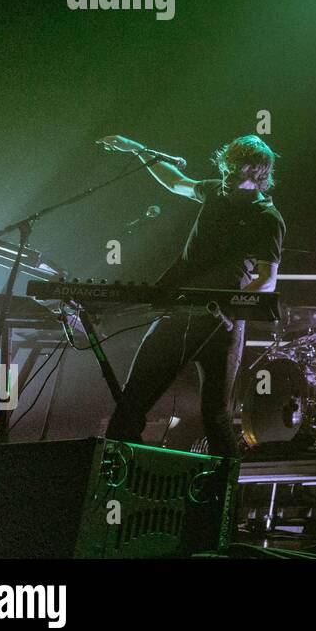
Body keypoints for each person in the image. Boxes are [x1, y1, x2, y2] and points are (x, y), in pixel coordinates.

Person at [98, 133, 285, 457]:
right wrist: (138, 149)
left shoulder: (267, 218)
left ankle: (222, 496)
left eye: (236, 175)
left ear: (257, 176)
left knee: (215, 415)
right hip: (179, 308)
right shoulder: (214, 190)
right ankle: (121, 479)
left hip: (220, 325)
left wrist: (228, 309)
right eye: (226, 171)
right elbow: (177, 182)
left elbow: (267, 280)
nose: (227, 179)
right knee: (132, 403)